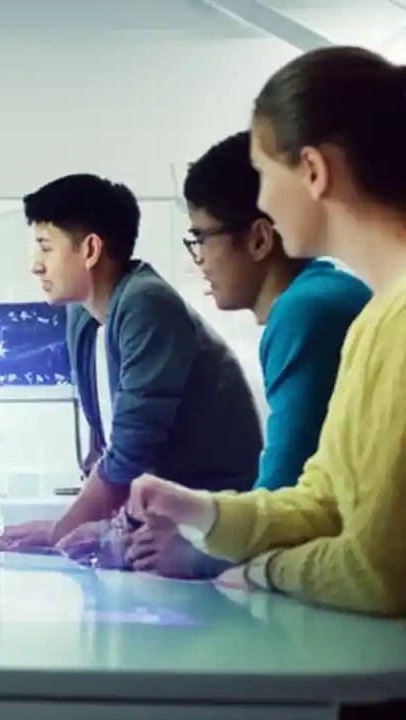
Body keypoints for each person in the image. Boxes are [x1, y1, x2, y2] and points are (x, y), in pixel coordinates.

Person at [128, 46, 406, 616]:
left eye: (262, 174)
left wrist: (258, 571)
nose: (259, 201)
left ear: (313, 171)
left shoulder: (371, 317)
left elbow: (379, 569)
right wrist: (204, 512)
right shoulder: (374, 319)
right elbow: (323, 499)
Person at [123, 132, 371, 579]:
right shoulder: (322, 295)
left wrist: (200, 554)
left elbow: (288, 491)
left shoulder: (306, 311)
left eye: (202, 237)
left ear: (259, 239)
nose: (198, 259)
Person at [0, 173, 261, 552]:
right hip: (149, 515)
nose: (36, 266)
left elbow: (131, 453)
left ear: (90, 250)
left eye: (45, 247)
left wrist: (62, 532)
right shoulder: (82, 315)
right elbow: (105, 449)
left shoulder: (146, 304)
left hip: (205, 521)